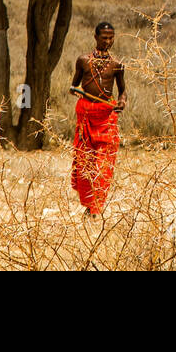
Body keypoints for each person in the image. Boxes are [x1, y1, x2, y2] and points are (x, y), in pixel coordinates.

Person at [70, 21, 126, 217]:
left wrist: (121, 102)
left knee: (103, 162)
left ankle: (96, 207)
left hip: (106, 116)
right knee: (85, 159)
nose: (108, 41)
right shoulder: (83, 61)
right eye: (104, 38)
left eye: (111, 38)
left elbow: (123, 91)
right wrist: (77, 91)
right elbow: (74, 85)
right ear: (95, 38)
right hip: (86, 114)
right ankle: (88, 204)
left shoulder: (117, 65)